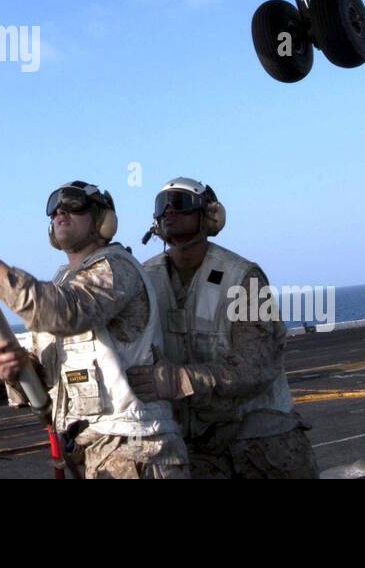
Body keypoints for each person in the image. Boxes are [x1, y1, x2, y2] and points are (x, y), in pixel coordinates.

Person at [0, 180, 188, 478]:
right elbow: (43, 381)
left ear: (102, 220)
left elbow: (65, 312)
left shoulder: (117, 268)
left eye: (74, 205)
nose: (60, 212)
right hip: (86, 451)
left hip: (136, 447)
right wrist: (17, 371)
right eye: (54, 208)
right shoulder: (60, 285)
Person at [128, 177, 318, 479]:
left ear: (208, 214)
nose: (168, 212)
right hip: (192, 445)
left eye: (179, 203)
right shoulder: (142, 279)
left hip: (259, 442)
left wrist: (180, 380)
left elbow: (256, 365)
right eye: (161, 206)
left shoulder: (242, 277)